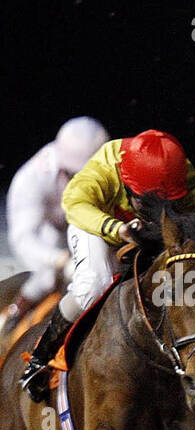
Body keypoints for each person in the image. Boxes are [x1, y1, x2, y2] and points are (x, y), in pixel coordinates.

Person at [20, 129, 195, 402]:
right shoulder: (106, 165)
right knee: (93, 284)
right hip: (95, 225)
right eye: (145, 201)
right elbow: (73, 203)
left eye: (169, 202)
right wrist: (117, 229)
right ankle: (40, 357)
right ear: (126, 182)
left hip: (148, 233)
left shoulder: (180, 171)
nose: (157, 208)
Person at [2, 117, 109, 333]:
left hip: (74, 225)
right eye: (77, 176)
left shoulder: (81, 161)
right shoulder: (31, 181)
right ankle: (10, 319)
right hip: (43, 235)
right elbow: (24, 238)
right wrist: (57, 259)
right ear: (64, 168)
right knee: (48, 274)